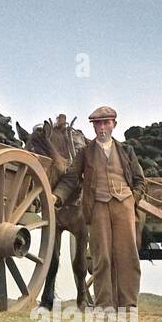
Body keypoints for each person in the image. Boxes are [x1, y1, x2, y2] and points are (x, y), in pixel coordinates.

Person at [51, 106, 147, 310]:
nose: (102, 127)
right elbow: (71, 177)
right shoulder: (85, 153)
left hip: (123, 205)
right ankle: (104, 304)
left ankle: (128, 304)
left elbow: (140, 180)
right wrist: (56, 196)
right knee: (101, 256)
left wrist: (132, 199)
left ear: (114, 125)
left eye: (106, 123)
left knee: (127, 255)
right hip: (98, 207)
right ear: (93, 127)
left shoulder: (126, 150)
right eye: (98, 124)